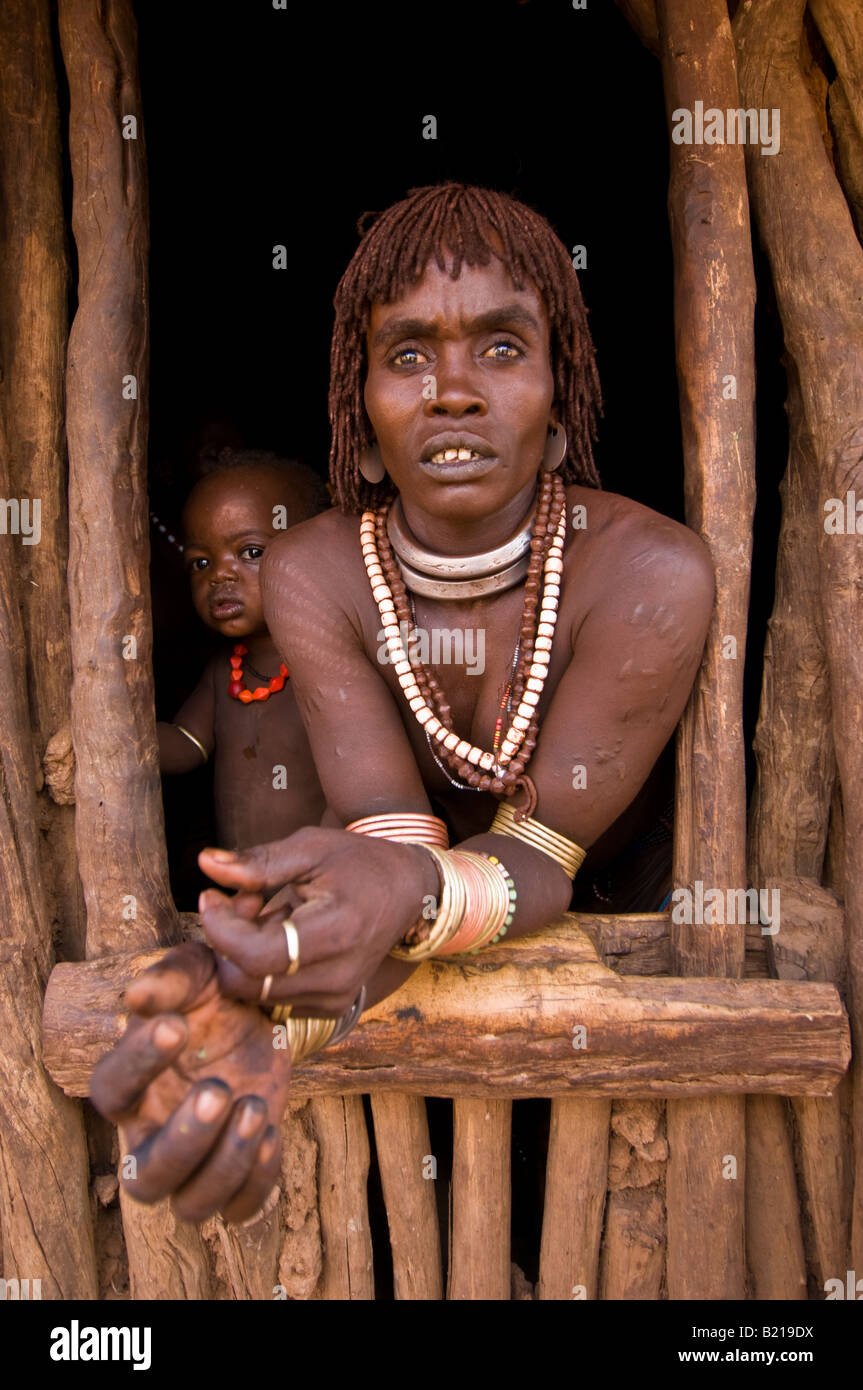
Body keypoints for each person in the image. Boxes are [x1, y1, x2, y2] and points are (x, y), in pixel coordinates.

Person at [90, 184, 714, 1225]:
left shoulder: (647, 573)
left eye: (502, 349)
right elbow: (384, 841)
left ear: (562, 407)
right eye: (409, 353)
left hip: (610, 908)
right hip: (423, 911)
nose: (453, 390)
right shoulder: (314, 571)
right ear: (360, 415)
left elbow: (538, 854)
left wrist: (397, 889)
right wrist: (262, 1012)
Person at [156, 449, 328, 852]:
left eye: (251, 552)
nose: (220, 574)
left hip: (318, 884)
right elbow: (186, 745)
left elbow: (358, 785)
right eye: (200, 563)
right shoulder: (224, 671)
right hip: (241, 888)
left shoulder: (329, 668)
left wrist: (322, 863)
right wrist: (119, 737)